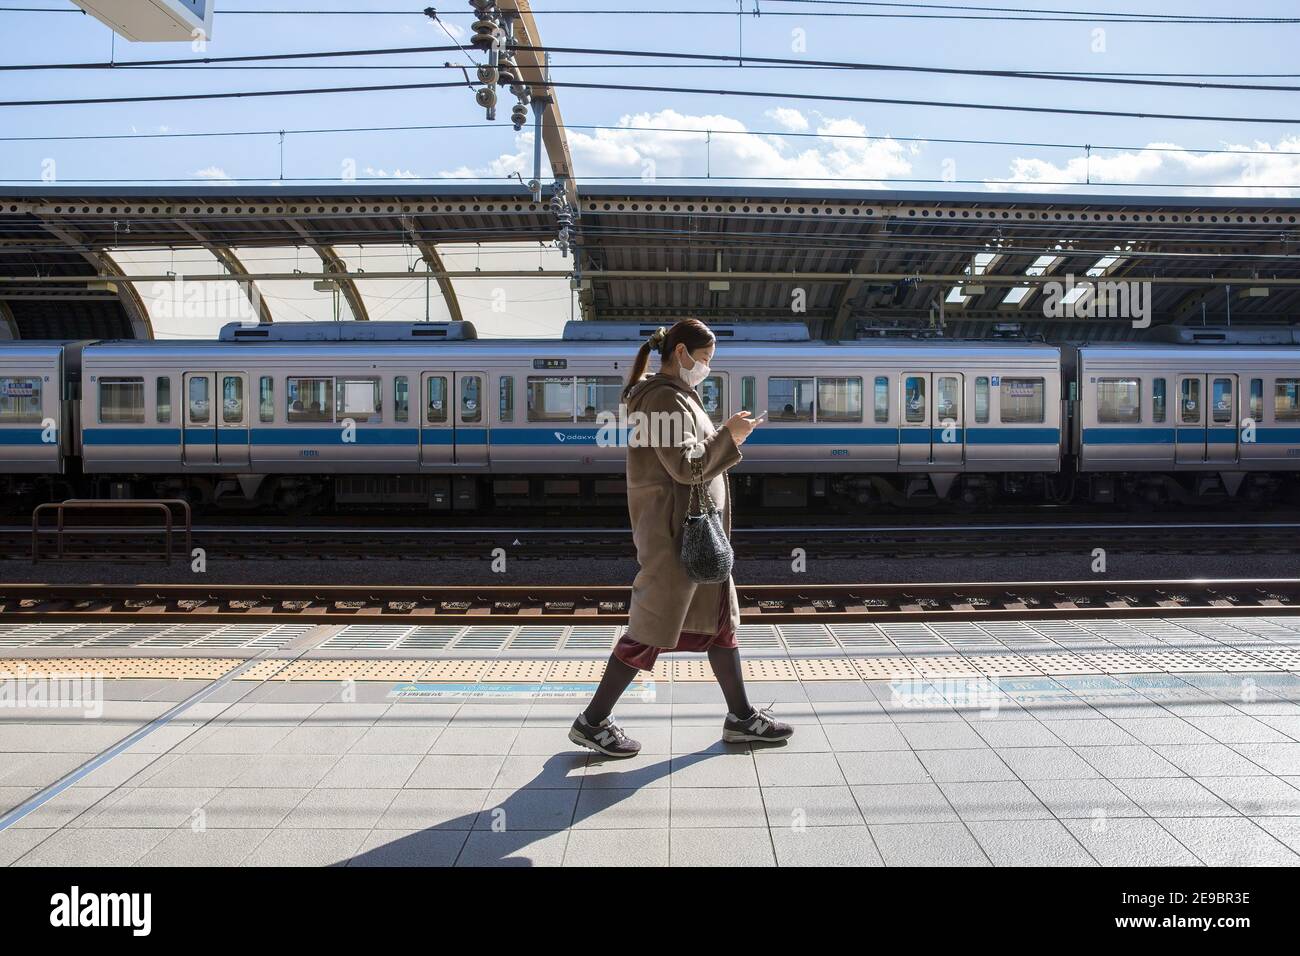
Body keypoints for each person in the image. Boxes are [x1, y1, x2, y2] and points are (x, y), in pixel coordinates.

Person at [568, 319, 794, 758]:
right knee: (650, 629)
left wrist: (726, 435)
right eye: (705, 360)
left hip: (693, 534)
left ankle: (742, 718)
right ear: (681, 354)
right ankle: (592, 722)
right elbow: (686, 467)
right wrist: (729, 436)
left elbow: (691, 459)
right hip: (677, 536)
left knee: (720, 626)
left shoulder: (674, 398)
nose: (706, 368)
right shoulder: (663, 401)